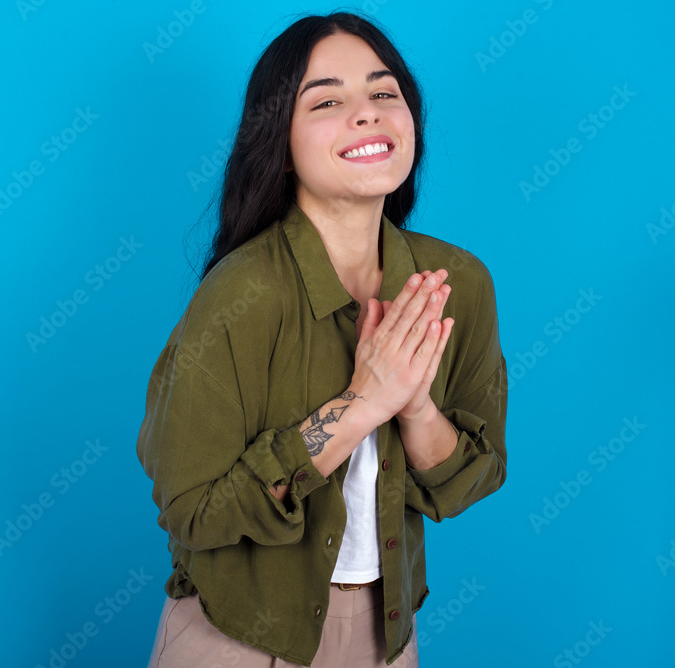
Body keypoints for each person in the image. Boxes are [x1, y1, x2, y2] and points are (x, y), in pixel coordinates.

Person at [137, 11, 508, 667]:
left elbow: (471, 479)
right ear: (279, 144)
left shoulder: (458, 283)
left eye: (384, 92)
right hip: (237, 638)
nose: (367, 113)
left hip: (386, 638)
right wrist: (362, 404)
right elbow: (194, 512)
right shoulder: (240, 294)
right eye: (328, 101)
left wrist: (414, 407)